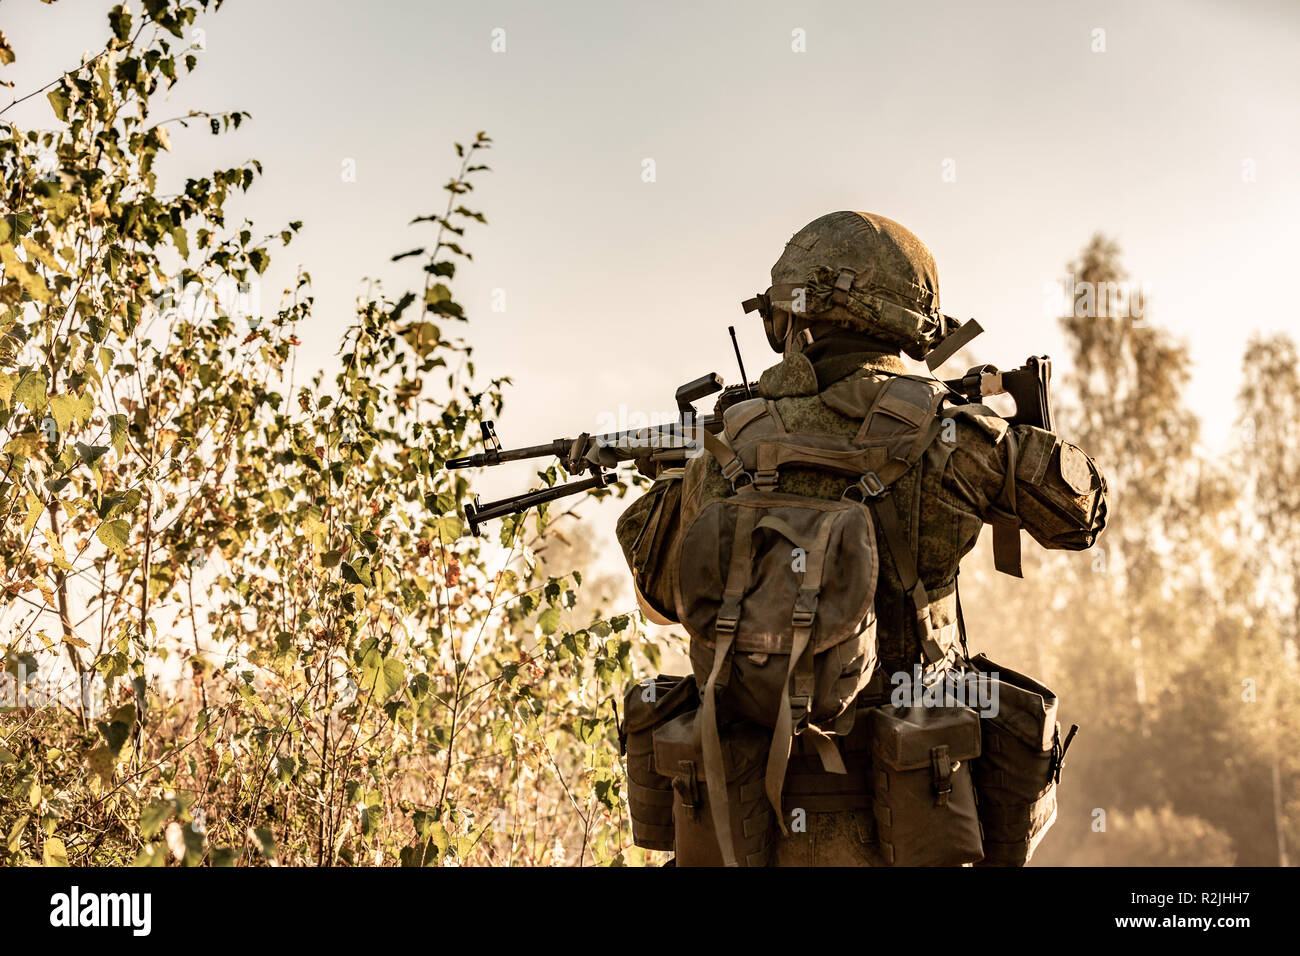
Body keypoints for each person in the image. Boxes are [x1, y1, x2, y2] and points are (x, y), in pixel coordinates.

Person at [619, 211, 1108, 866]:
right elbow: (1080, 516)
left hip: (750, 828)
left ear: (789, 317)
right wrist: (1004, 419)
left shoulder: (729, 444)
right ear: (911, 319)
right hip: (914, 815)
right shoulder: (951, 432)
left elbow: (658, 607)